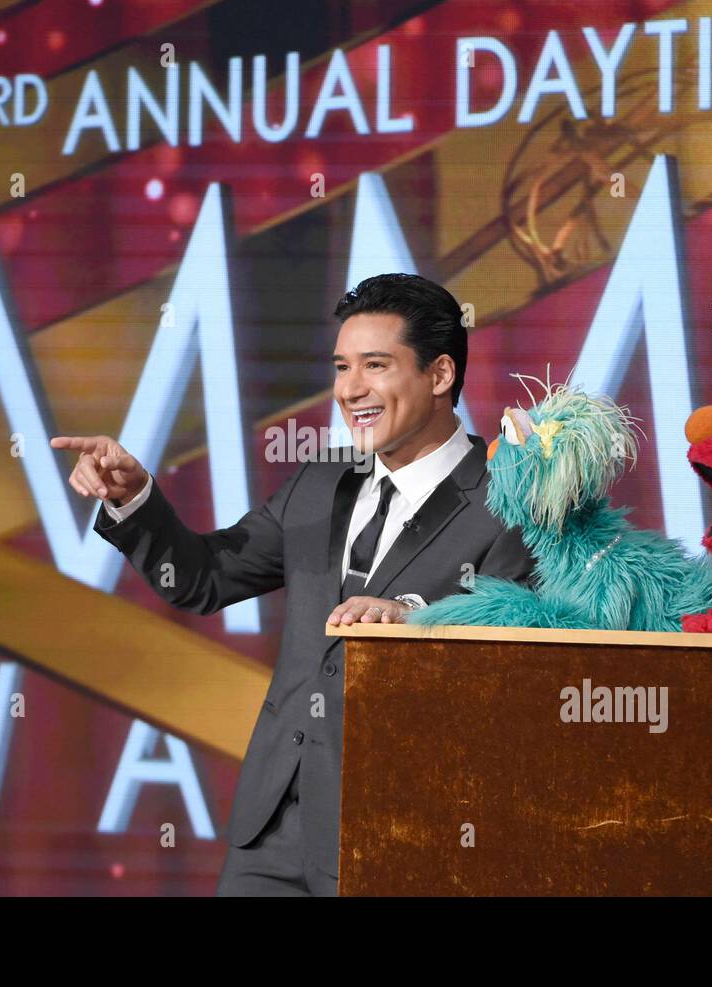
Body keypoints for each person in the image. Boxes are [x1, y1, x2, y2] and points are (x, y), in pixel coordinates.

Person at [51, 272, 533, 895]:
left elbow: (516, 657)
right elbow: (204, 577)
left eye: (376, 365)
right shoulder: (321, 481)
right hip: (271, 833)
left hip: (403, 834)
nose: (350, 390)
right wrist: (134, 498)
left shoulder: (510, 502)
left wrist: (415, 618)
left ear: (440, 375)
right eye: (341, 367)